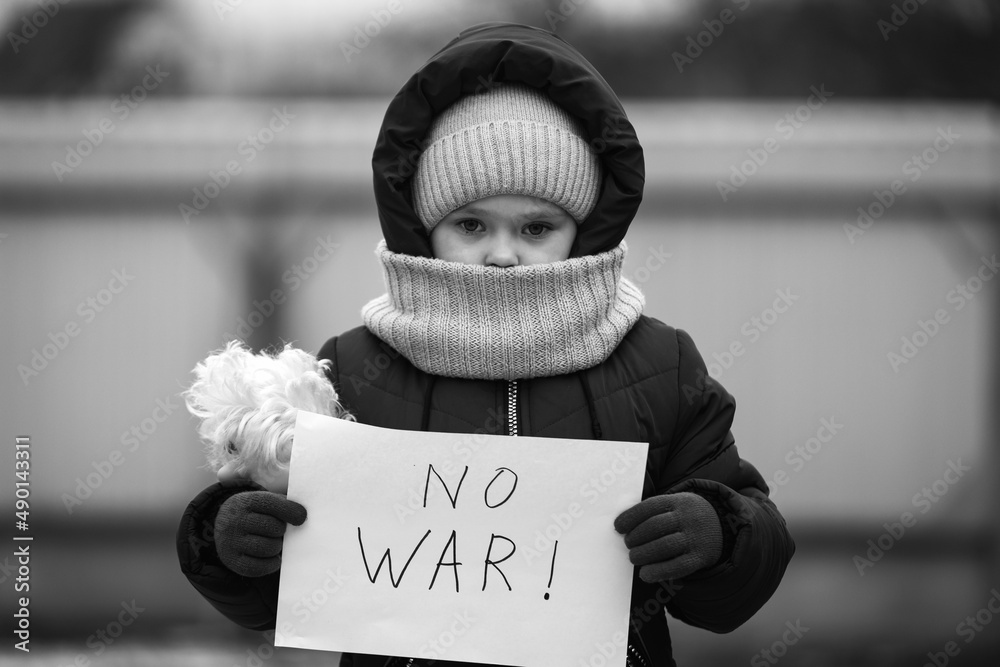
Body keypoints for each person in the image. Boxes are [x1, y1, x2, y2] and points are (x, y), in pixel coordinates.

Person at [176, 22, 794, 667]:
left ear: (581, 232)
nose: (502, 254)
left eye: (537, 226)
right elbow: (288, 594)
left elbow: (737, 588)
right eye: (470, 223)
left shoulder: (660, 365)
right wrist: (230, 544)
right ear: (424, 227)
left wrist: (720, 535)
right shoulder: (355, 368)